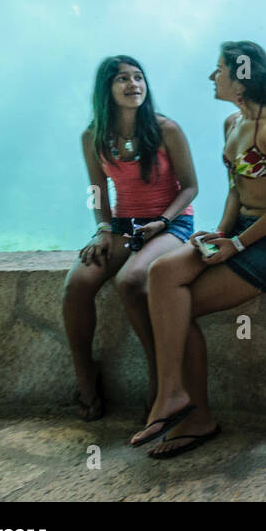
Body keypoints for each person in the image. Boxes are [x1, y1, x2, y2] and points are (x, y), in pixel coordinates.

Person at [129, 41, 266, 459]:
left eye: (219, 70)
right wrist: (220, 233)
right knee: (163, 274)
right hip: (241, 229)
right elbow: (235, 189)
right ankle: (173, 394)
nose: (213, 77)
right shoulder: (232, 123)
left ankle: (194, 414)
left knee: (182, 304)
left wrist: (239, 244)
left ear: (240, 79)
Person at [64, 56, 198, 422]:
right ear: (106, 88)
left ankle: (160, 382)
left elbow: (190, 187)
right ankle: (85, 375)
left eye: (139, 77)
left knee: (131, 280)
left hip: (172, 225)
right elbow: (97, 191)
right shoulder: (92, 136)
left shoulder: (167, 129)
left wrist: (163, 220)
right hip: (124, 226)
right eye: (122, 78)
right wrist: (104, 229)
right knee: (77, 283)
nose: (133, 84)